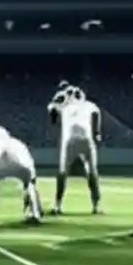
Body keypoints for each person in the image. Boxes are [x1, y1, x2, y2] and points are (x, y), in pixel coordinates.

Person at [47, 84, 103, 215]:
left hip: (80, 140)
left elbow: (97, 113)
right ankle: (58, 204)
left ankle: (96, 205)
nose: (76, 94)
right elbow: (52, 112)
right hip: (74, 141)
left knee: (91, 173)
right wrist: (58, 99)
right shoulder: (67, 105)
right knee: (64, 173)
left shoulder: (86, 105)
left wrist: (97, 131)